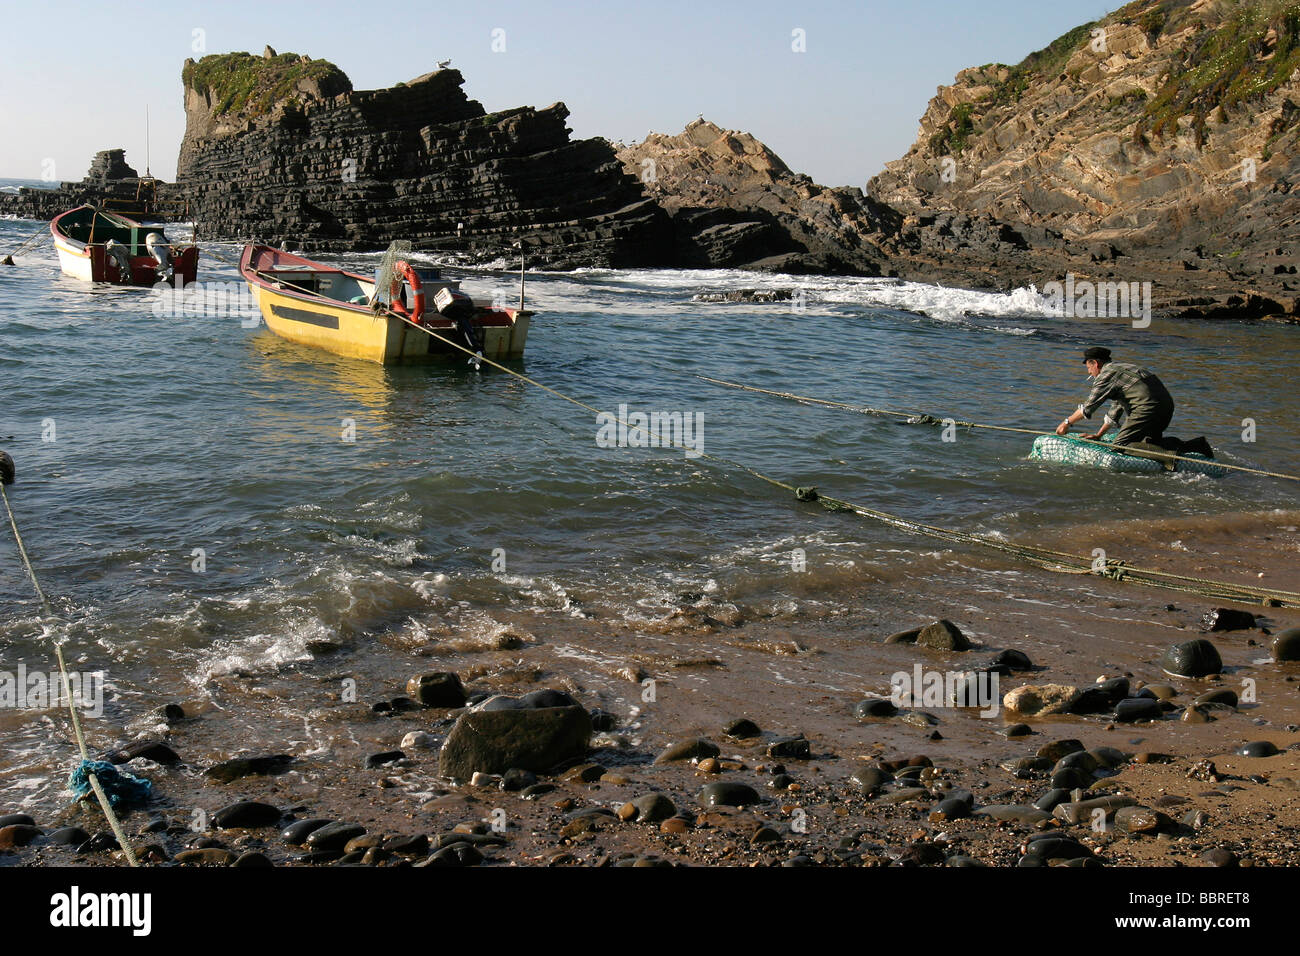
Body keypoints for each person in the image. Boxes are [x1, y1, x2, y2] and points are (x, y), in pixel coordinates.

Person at [1056, 347, 1175, 447]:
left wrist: (1066, 423)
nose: (1089, 372)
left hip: (1146, 410)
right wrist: (1099, 435)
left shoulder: (1106, 374)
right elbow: (1117, 408)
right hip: (1167, 408)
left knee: (1120, 447)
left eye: (1088, 368)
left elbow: (1089, 407)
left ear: (1096, 363)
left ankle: (1171, 457)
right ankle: (1184, 448)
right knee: (1149, 443)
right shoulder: (1123, 368)